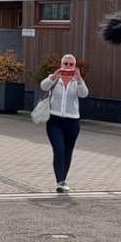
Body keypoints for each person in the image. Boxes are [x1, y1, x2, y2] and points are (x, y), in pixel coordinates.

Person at [39, 54, 87, 192]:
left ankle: (63, 180)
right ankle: (59, 180)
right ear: (61, 64)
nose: (68, 67)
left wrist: (79, 80)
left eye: (71, 64)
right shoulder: (55, 79)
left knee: (68, 151)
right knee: (59, 150)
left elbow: (84, 94)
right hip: (54, 121)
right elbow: (43, 86)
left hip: (72, 121)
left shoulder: (76, 81)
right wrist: (54, 76)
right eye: (65, 64)